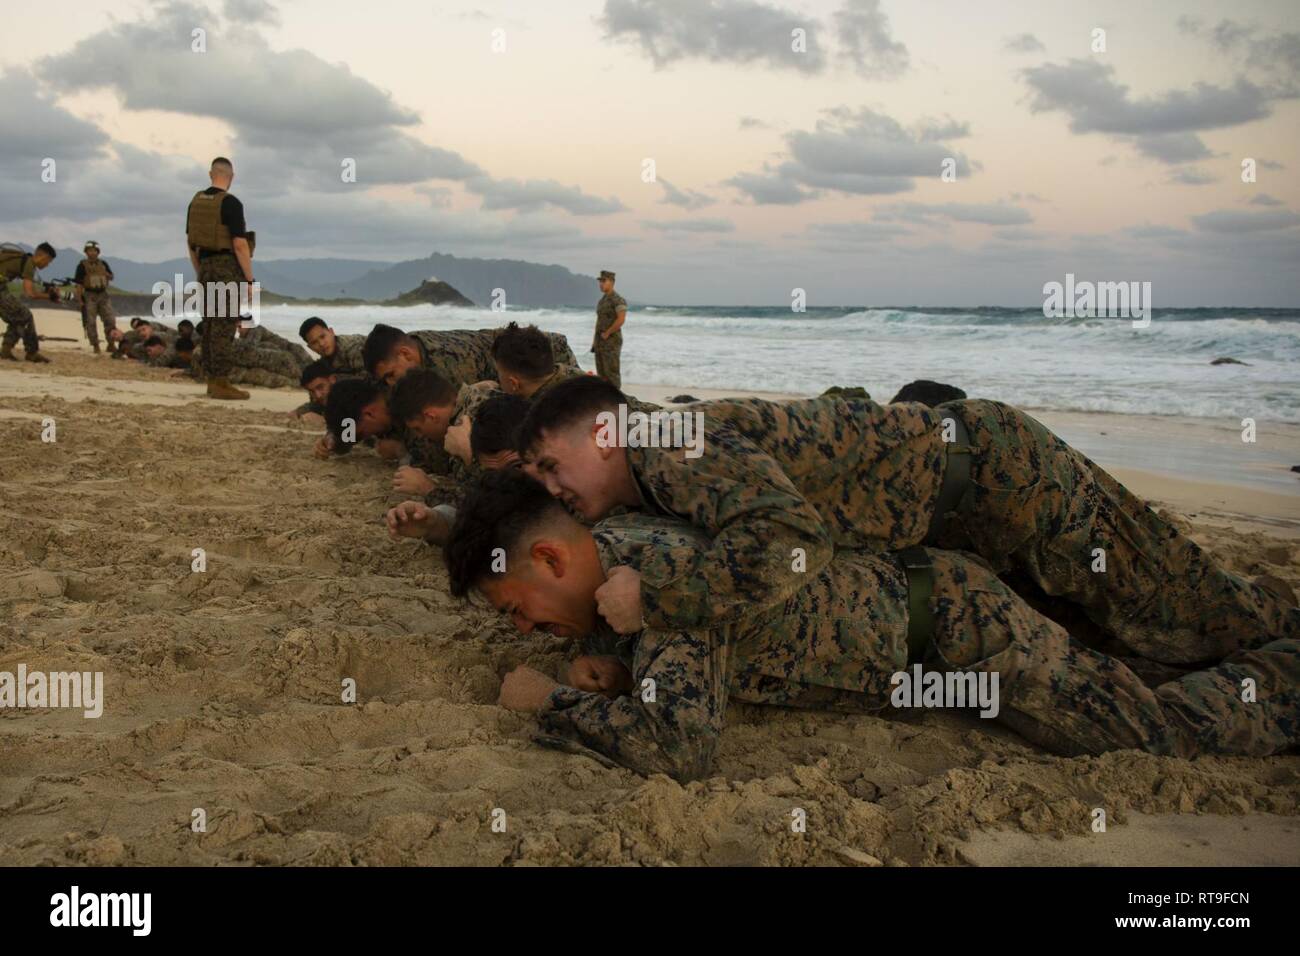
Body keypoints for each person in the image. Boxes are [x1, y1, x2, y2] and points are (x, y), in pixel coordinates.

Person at [442, 470, 1300, 782]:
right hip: (934, 622)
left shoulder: (661, 578)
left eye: (518, 611)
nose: (526, 633)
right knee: (1142, 672)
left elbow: (681, 750)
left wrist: (546, 702)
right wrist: (607, 662)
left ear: (552, 560)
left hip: (966, 638)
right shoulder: (620, 551)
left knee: (1155, 736)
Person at [516, 377, 1297, 664]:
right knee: (1122, 630)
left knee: (1187, 607)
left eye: (553, 466)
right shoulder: (662, 459)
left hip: (1002, 478)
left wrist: (658, 600)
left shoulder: (669, 443)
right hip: (967, 509)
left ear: (606, 432)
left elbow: (792, 545)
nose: (556, 489)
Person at [185, 156, 254, 400]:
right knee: (224, 326)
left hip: (205, 266)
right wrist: (249, 279)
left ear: (210, 174)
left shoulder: (195, 202)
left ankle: (212, 379)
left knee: (211, 325)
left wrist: (200, 270)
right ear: (231, 177)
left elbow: (190, 243)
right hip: (226, 268)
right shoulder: (231, 203)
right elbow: (239, 244)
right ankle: (221, 382)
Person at [362, 323, 578, 389]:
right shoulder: (413, 346)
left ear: (405, 354)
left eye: (391, 375)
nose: (391, 383)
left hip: (547, 354)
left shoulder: (448, 366)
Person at [0, 241, 56, 363]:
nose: (47, 265)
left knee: (17, 316)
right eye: (49, 261)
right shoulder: (28, 263)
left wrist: (47, 291)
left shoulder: (24, 260)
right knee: (25, 315)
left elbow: (32, 284)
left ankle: (6, 351)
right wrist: (49, 297)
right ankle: (32, 353)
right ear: (42, 256)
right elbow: (29, 293)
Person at [74, 241, 118, 355]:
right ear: (86, 252)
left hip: (103, 294)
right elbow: (78, 284)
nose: (92, 253)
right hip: (89, 295)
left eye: (94, 251)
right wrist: (79, 300)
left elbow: (112, 276)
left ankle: (111, 343)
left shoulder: (103, 264)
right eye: (89, 251)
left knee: (110, 319)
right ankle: (95, 345)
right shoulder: (82, 266)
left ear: (98, 252)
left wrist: (106, 274)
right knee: (91, 322)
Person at [591, 269, 627, 387]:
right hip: (600, 343)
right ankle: (605, 404)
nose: (601, 284)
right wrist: (594, 342)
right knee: (602, 377)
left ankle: (621, 405)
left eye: (604, 281)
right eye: (600, 281)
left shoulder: (617, 299)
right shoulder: (602, 301)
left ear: (611, 282)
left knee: (612, 376)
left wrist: (608, 332)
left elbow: (621, 319)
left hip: (611, 343)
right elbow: (599, 321)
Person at [299, 317, 367, 376]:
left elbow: (367, 380)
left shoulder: (351, 348)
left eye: (323, 337)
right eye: (314, 342)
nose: (321, 344)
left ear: (331, 332)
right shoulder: (325, 360)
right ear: (310, 347)